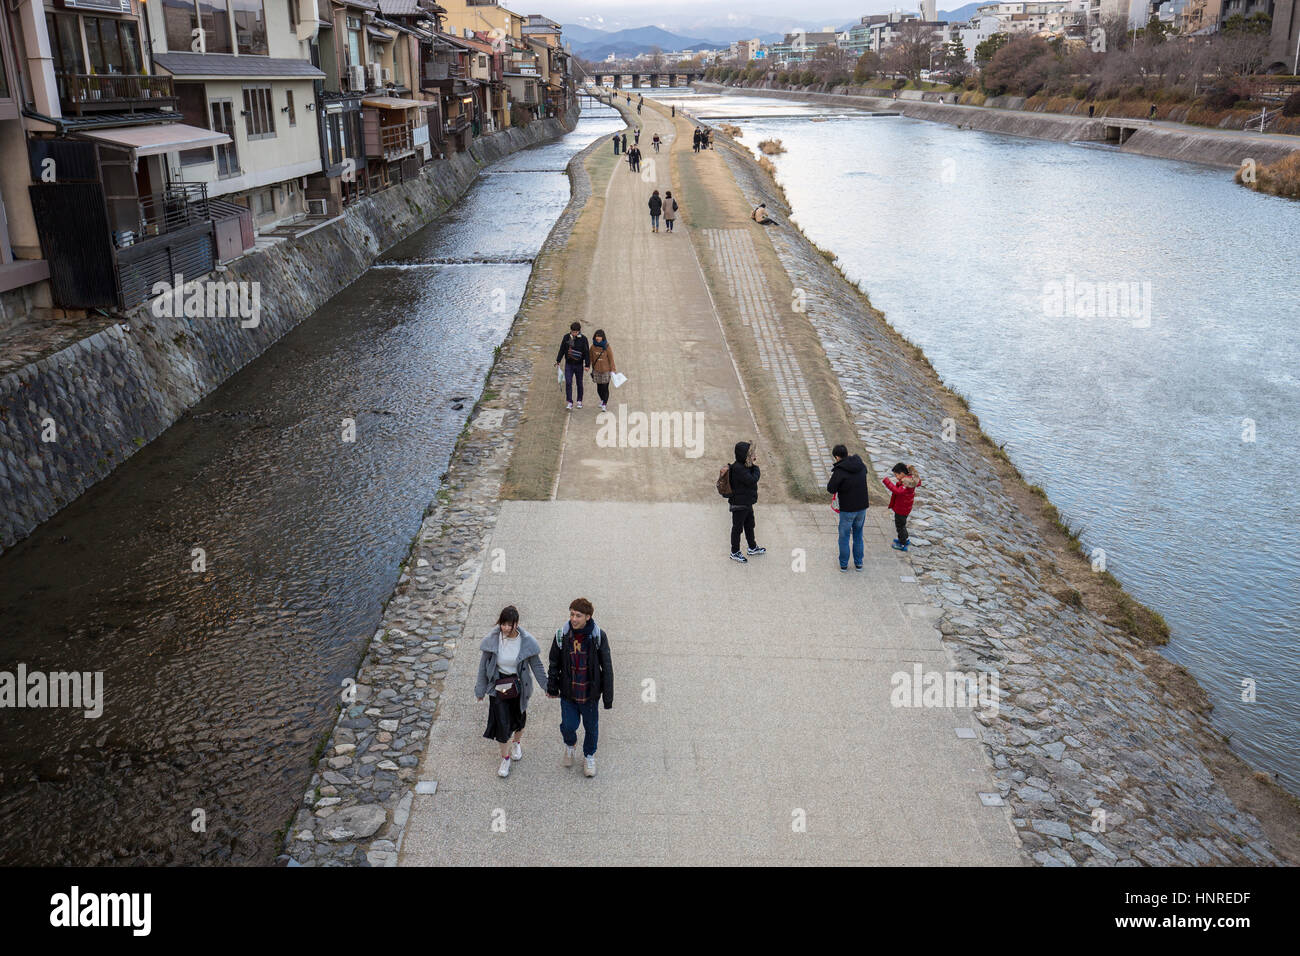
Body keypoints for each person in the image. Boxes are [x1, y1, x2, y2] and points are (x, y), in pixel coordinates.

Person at [475, 606, 548, 778]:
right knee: (501, 723)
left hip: (518, 685)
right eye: (503, 624)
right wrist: (480, 690)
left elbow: (536, 666)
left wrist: (547, 687)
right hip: (498, 685)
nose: (506, 628)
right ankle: (505, 758)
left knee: (519, 719)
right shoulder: (493, 640)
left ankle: (516, 743)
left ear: (517, 624)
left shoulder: (526, 641)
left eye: (509, 624)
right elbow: (482, 667)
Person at [546, 597, 613, 778]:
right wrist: (552, 686)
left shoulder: (598, 636)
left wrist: (607, 697)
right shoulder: (562, 635)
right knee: (568, 726)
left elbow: (607, 667)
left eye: (578, 615)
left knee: (591, 728)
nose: (573, 619)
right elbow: (554, 662)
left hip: (589, 694)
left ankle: (589, 756)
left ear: (588, 617)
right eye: (572, 614)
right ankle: (570, 745)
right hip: (569, 693)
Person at [827, 444, 870, 571]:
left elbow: (831, 488)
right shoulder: (860, 465)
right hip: (862, 507)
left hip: (847, 509)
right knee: (858, 535)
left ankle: (844, 564)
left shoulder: (840, 471)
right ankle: (858, 563)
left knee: (844, 536)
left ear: (837, 457)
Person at [727, 440, 764, 563]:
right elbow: (752, 479)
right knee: (737, 528)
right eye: (752, 454)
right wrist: (756, 468)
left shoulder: (744, 466)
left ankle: (752, 547)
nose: (755, 456)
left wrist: (752, 466)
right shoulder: (738, 469)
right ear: (745, 456)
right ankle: (734, 552)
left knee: (749, 525)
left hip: (746, 502)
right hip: (739, 504)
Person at [883, 463, 921, 552]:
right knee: (902, 525)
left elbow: (897, 491)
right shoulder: (911, 481)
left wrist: (887, 482)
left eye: (896, 475)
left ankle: (902, 544)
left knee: (900, 526)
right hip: (905, 508)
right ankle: (904, 539)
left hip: (901, 509)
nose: (896, 477)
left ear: (902, 473)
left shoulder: (906, 484)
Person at [555, 320, 591, 410]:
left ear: (579, 331)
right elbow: (562, 349)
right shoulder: (566, 337)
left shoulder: (583, 339)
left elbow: (587, 352)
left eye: (576, 332)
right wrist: (558, 360)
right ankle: (570, 401)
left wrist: (587, 365)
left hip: (579, 365)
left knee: (579, 383)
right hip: (569, 364)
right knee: (568, 383)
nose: (574, 333)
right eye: (573, 332)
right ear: (570, 330)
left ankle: (579, 401)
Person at [590, 329, 617, 410]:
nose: (598, 338)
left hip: (606, 371)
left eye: (599, 336)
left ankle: (604, 404)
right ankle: (602, 400)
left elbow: (611, 358)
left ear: (603, 337)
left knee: (605, 388)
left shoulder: (607, 346)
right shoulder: (592, 347)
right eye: (596, 336)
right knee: (599, 388)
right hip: (597, 370)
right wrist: (587, 365)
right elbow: (590, 357)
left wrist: (613, 369)